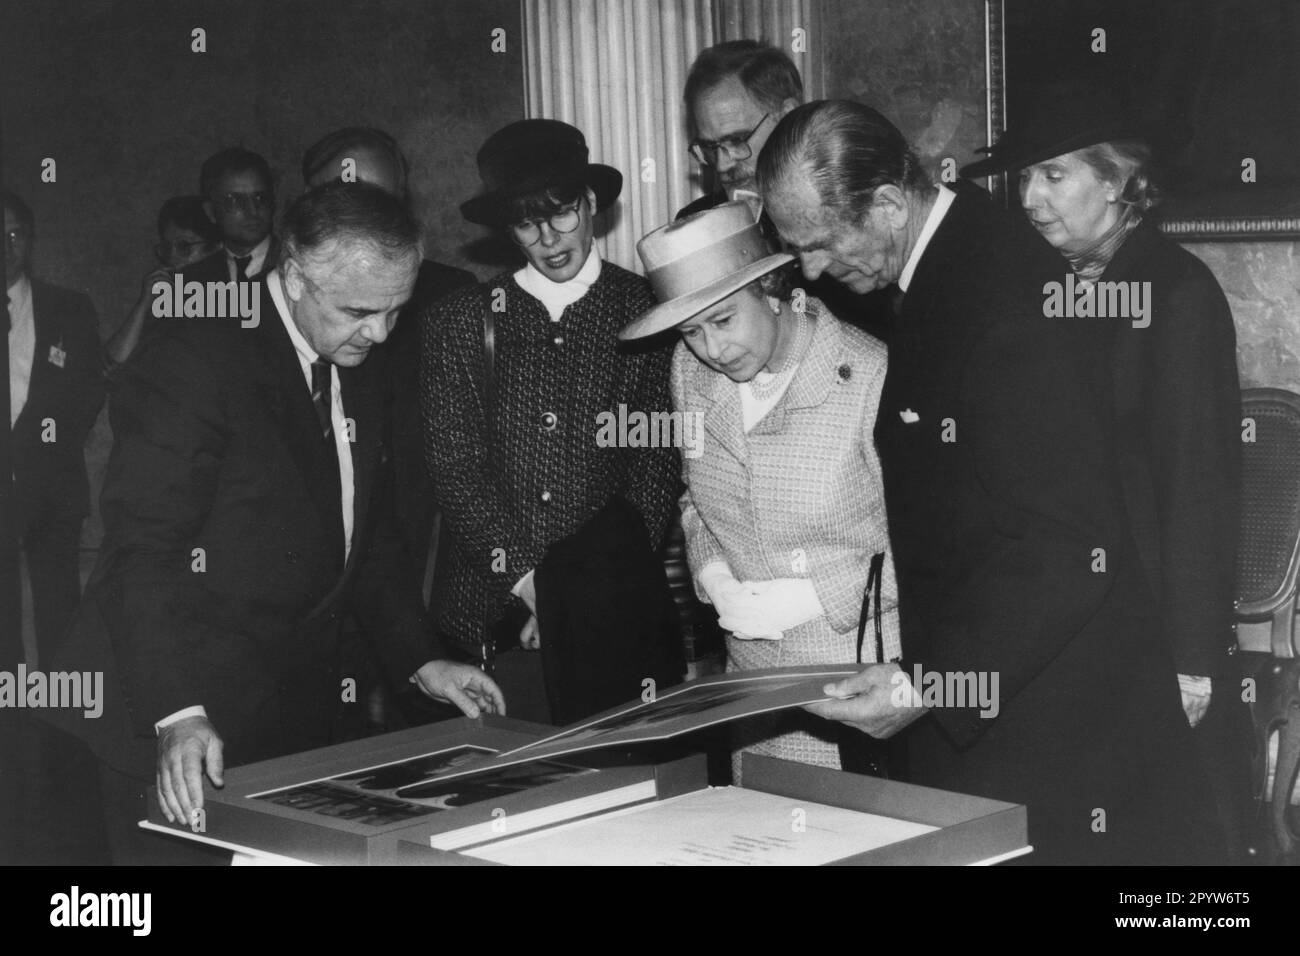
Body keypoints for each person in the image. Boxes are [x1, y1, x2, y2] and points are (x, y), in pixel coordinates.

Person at [758, 100, 1224, 865]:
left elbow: (1066, 544)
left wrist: (926, 688)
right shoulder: (951, 265)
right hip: (1003, 711)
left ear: (885, 203)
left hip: (1060, 737)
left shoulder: (1002, 294)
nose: (808, 270)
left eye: (818, 243)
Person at [48, 181, 503, 864]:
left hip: (279, 705)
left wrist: (422, 657)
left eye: (395, 311)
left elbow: (366, 531)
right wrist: (177, 714)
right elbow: (140, 552)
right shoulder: (194, 361)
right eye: (359, 310)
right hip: (168, 708)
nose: (380, 333)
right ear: (292, 277)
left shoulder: (358, 353)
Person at [960, 86, 1249, 859]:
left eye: (1053, 177)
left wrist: (1193, 657)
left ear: (1119, 181)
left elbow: (1199, 485)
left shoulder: (1178, 293)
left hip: (1153, 621)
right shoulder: (1039, 289)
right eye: (1023, 179)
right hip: (1070, 615)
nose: (1029, 200)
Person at [620, 200, 900, 778]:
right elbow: (697, 500)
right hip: (753, 688)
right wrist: (713, 575)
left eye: (724, 321)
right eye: (691, 331)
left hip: (856, 684)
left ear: (772, 289)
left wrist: (819, 594)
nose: (712, 350)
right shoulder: (689, 371)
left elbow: (936, 546)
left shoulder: (870, 375)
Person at [422, 119, 680, 724]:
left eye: (562, 213)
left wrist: (581, 595)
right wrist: (529, 582)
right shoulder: (463, 320)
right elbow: (455, 469)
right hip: (487, 621)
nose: (548, 238)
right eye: (525, 222)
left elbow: (653, 468)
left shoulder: (645, 311)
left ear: (592, 203)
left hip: (609, 617)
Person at [302, 127, 475, 607]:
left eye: (381, 199)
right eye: (346, 198)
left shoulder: (449, 297)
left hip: (418, 567)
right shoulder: (281, 306)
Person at [680, 40, 894, 340]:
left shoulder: (850, 205)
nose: (723, 164)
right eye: (710, 147)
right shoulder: (696, 228)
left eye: (738, 140)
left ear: (788, 114)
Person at [6, 188, 104, 662]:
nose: (5, 248)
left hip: (52, 484)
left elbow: (88, 392)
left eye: (14, 234)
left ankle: (59, 719)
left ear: (30, 239)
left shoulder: (69, 308)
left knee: (59, 610)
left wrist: (44, 449)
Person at [105, 195, 222, 366]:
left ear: (214, 249)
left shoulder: (225, 301)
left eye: (184, 247)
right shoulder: (168, 296)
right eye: (168, 247)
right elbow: (111, 361)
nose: (172, 256)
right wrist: (143, 305)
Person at [185, 147, 279, 284]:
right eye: (235, 201)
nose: (253, 210)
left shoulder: (297, 266)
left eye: (260, 198)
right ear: (211, 212)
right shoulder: (193, 280)